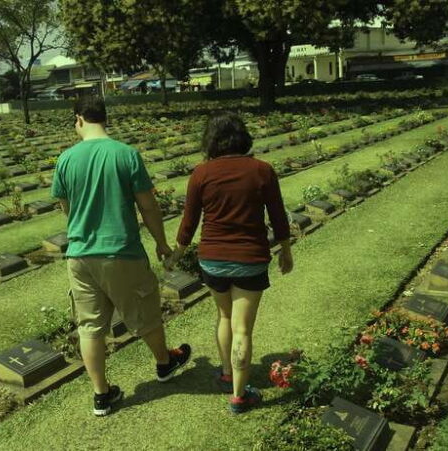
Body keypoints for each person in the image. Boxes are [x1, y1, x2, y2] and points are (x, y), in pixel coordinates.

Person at [52, 96, 191, 417]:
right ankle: (164, 363)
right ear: (104, 118)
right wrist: (160, 242)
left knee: (90, 327)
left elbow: (66, 209)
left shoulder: (66, 160)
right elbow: (147, 205)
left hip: (80, 255)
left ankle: (102, 395)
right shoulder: (126, 154)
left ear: (79, 120)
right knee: (145, 312)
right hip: (121, 251)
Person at [168, 112, 293, 414]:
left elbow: (189, 222)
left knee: (224, 317)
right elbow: (278, 215)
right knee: (243, 330)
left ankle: (226, 373)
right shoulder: (262, 170)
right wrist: (286, 250)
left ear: (210, 140)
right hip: (250, 259)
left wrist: (177, 253)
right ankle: (239, 396)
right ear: (242, 136)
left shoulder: (201, 173)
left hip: (212, 259)